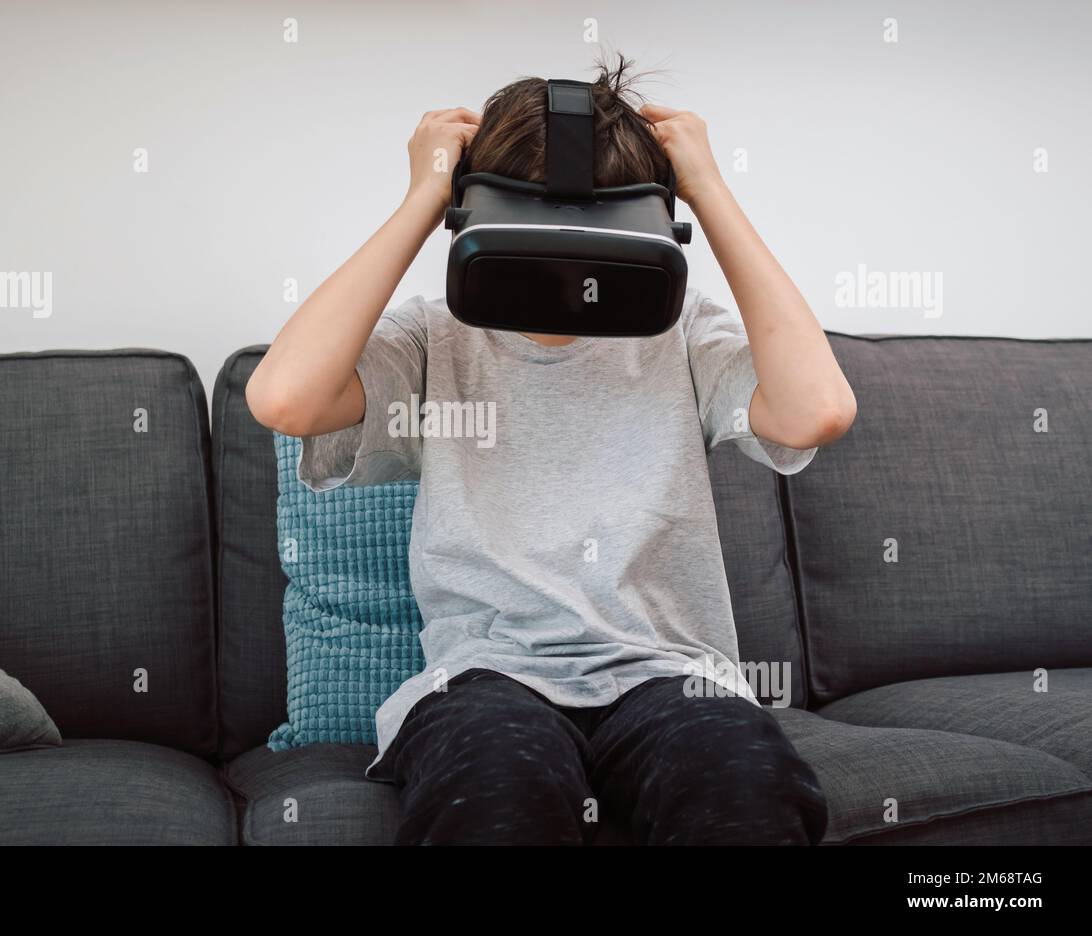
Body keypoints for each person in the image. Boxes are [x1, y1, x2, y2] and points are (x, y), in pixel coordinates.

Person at [246, 54, 855, 845]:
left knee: (741, 775)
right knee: (496, 783)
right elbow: (284, 398)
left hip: (668, 674)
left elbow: (819, 410)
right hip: (485, 680)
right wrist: (423, 198)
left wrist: (710, 190)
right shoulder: (435, 339)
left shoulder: (682, 337)